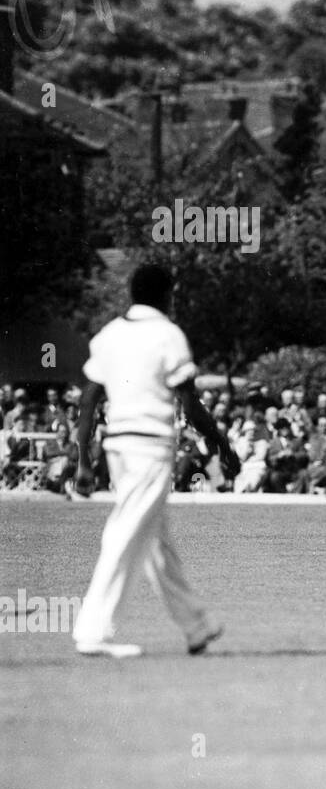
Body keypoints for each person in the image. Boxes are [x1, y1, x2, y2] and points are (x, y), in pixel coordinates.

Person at [71, 264, 236, 659]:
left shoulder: (108, 335)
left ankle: (198, 626)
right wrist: (221, 443)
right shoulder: (169, 335)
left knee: (156, 542)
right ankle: (93, 631)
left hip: (118, 447)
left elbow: (89, 400)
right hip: (150, 448)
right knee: (126, 533)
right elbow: (190, 404)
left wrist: (83, 460)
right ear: (167, 294)